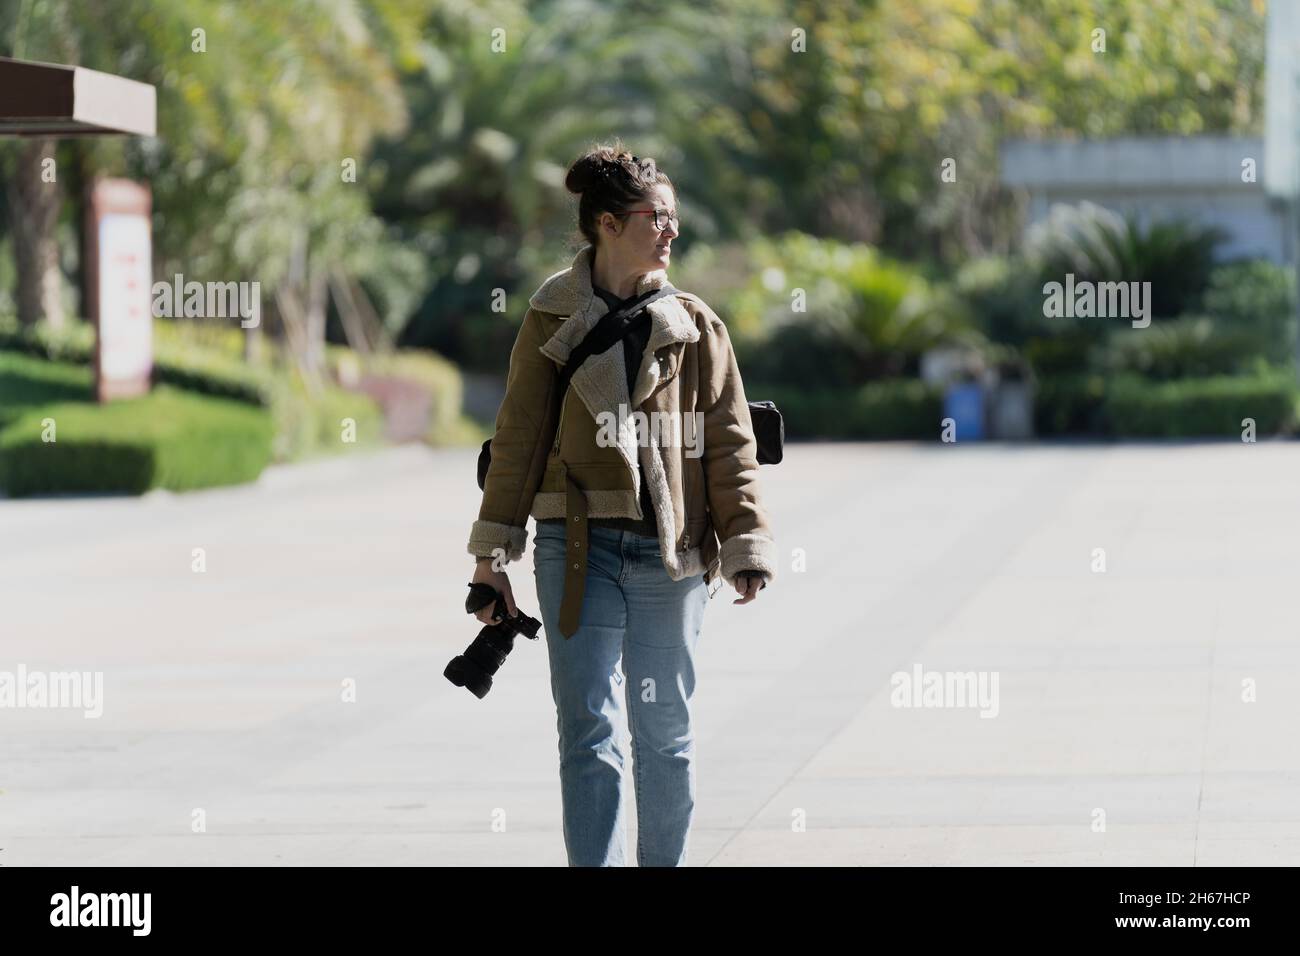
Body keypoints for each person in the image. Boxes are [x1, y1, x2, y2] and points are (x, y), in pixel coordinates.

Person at [466, 141, 777, 866]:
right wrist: (489, 559)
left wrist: (745, 545)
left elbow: (730, 446)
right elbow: (517, 440)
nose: (670, 232)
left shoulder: (698, 326)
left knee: (664, 733)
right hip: (575, 548)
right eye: (655, 218)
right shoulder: (550, 316)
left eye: (673, 218)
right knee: (587, 730)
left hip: (673, 551)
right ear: (608, 223)